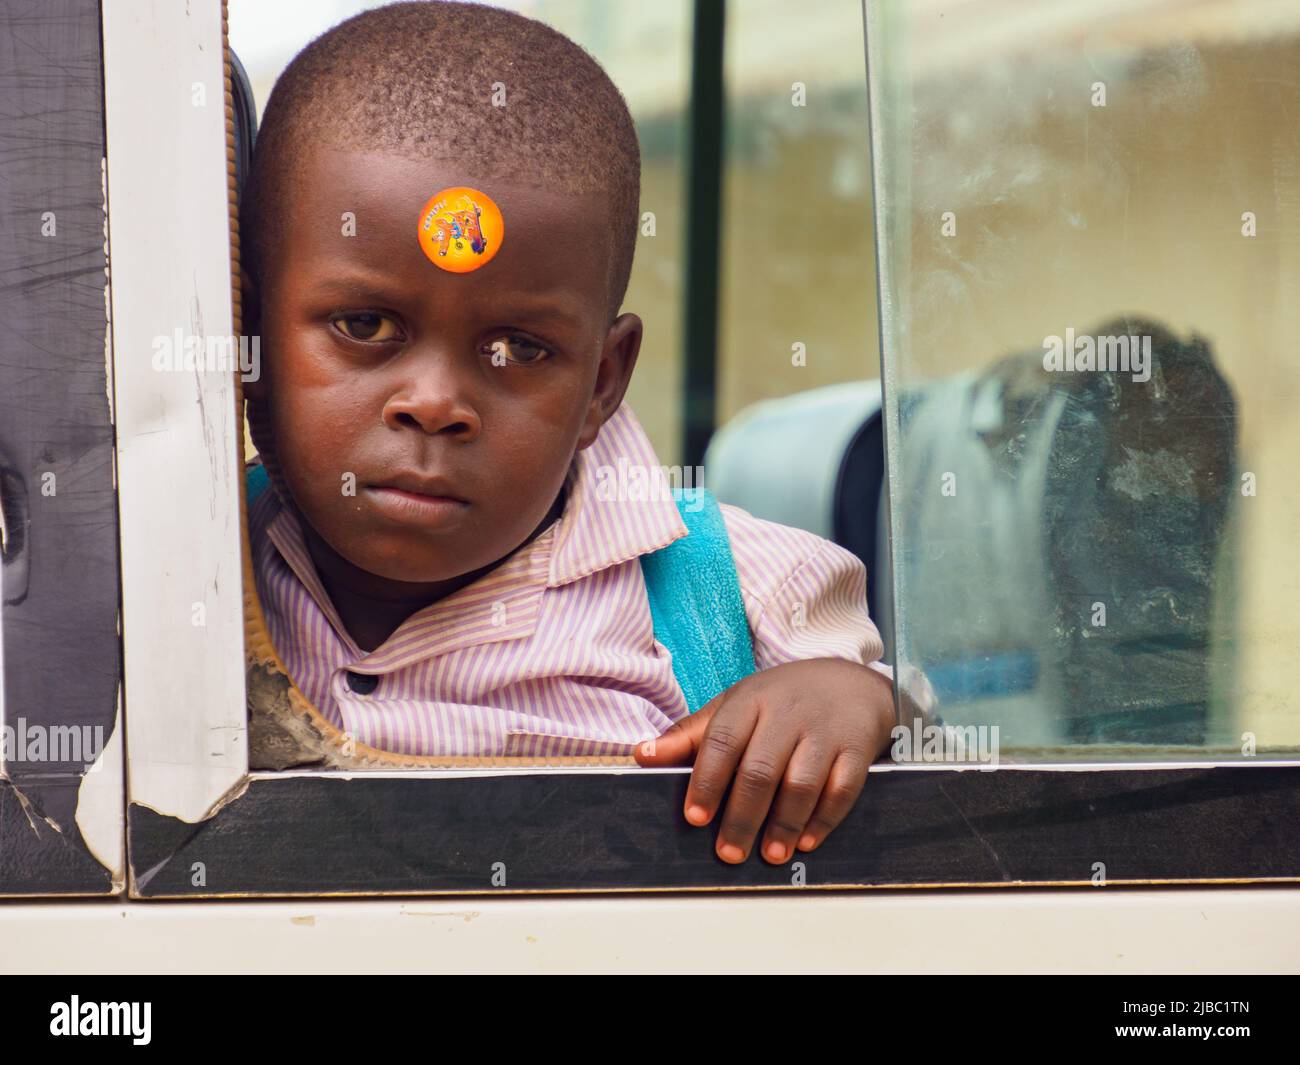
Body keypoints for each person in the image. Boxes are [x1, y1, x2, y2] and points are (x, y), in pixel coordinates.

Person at [240, 0, 895, 865]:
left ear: (601, 382)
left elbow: (920, 726)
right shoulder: (176, 571)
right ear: (245, 335)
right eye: (365, 324)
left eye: (517, 348)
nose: (436, 404)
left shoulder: (733, 590)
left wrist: (854, 699)